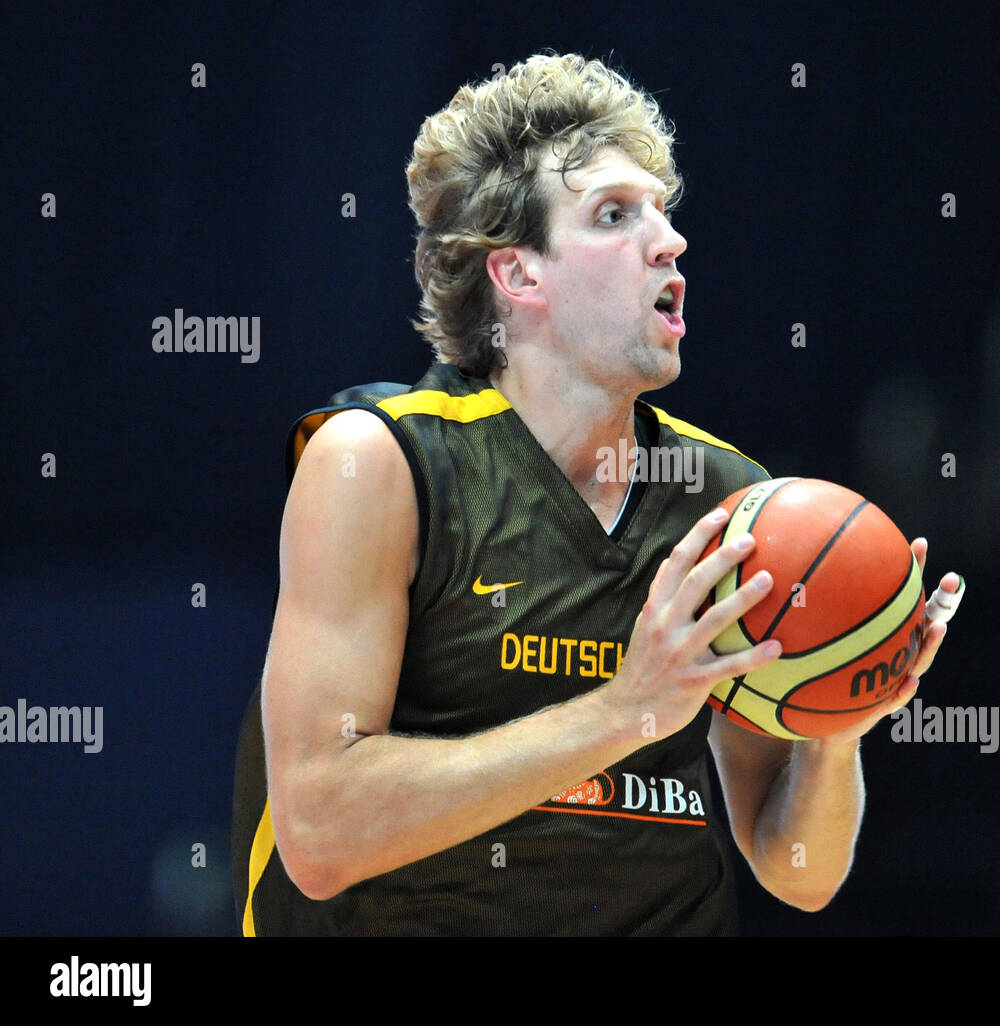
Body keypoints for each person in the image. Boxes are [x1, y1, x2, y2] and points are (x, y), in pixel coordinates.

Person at [232, 52, 955, 936]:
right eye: (615, 214)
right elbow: (320, 831)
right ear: (519, 275)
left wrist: (837, 708)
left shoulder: (730, 501)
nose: (670, 238)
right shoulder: (377, 465)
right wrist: (626, 711)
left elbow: (796, 871)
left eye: (663, 210)